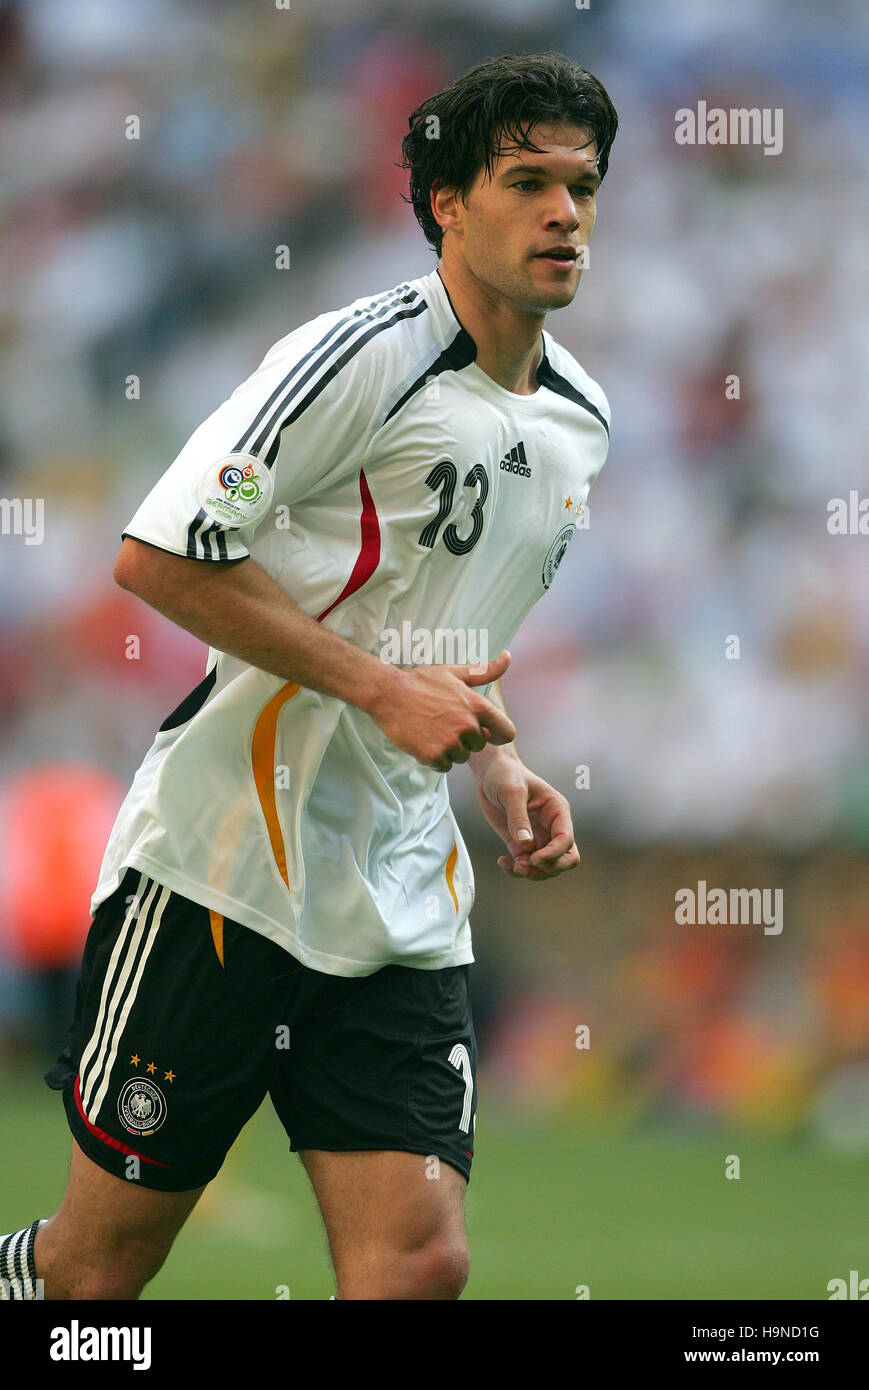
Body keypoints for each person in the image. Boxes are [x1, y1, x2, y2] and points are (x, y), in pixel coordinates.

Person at [1, 50, 617, 1301]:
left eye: (582, 185)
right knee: (93, 1275)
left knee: (417, 1262)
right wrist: (382, 692)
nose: (564, 212)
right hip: (223, 871)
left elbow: (442, 634)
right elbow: (157, 557)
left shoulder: (579, 423)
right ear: (447, 201)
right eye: (526, 182)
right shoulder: (358, 357)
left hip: (397, 890)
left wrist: (494, 761)